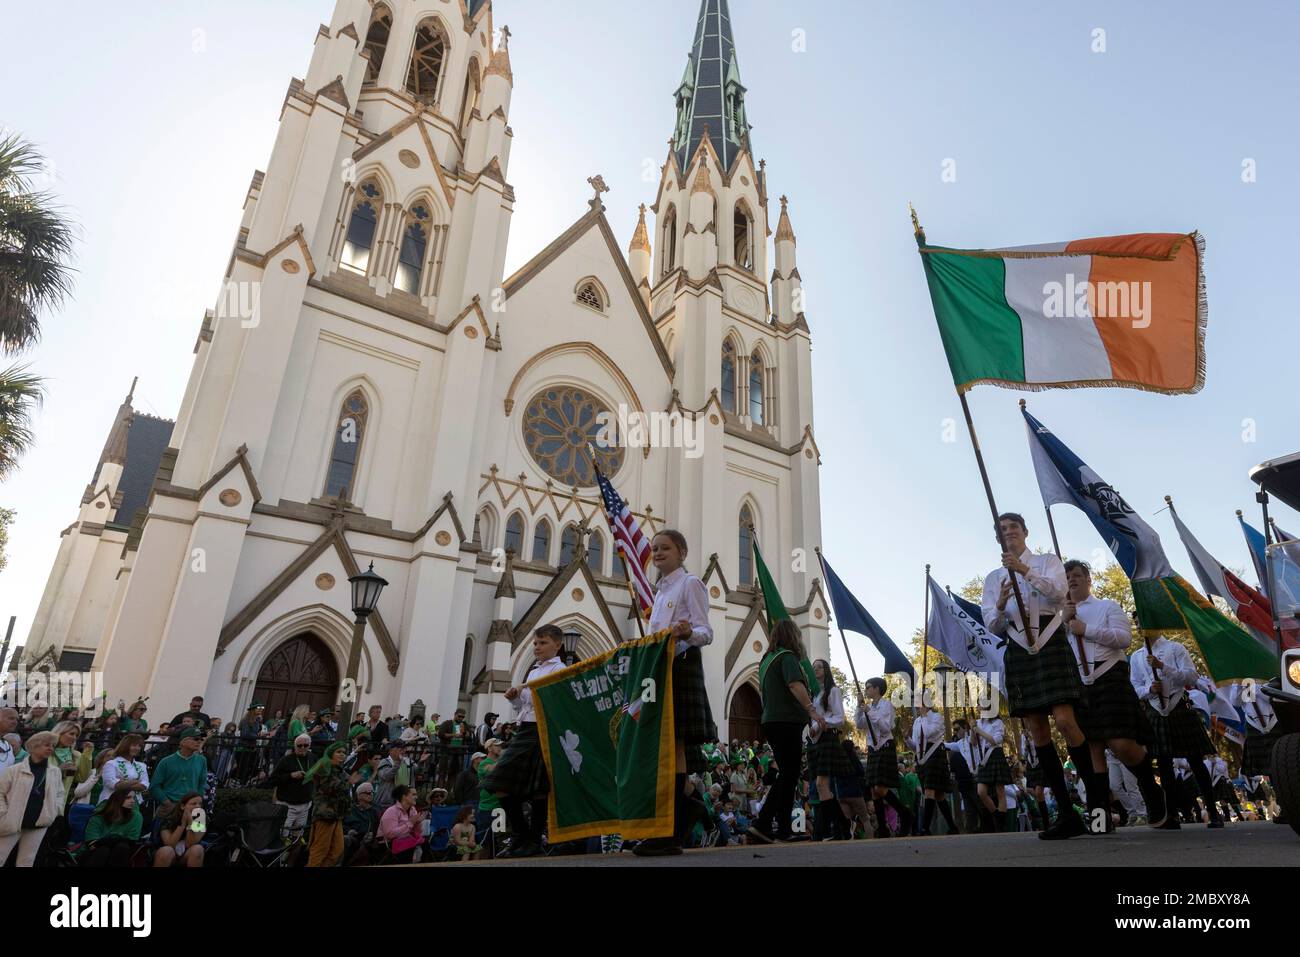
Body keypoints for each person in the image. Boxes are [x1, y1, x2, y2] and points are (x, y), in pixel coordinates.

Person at [980, 512, 1088, 840]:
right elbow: (992, 625)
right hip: (1020, 647)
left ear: (1025, 532)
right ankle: (1068, 815)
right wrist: (999, 604)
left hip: (1049, 639)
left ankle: (1097, 805)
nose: (1008, 532)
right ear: (997, 538)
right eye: (1002, 529)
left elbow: (1058, 595)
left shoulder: (1046, 561)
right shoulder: (993, 578)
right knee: (1038, 729)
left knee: (1066, 721)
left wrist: (1024, 571)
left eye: (1013, 527)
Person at [1061, 560, 1167, 832]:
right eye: (1067, 577)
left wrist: (1086, 630)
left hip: (1110, 677)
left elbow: (1124, 639)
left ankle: (1150, 788)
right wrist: (1065, 623)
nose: (1072, 580)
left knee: (1121, 744)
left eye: (1077, 575)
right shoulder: (1063, 616)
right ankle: (1100, 818)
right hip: (1081, 685)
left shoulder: (1107, 607)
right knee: (1093, 748)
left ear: (1088, 580)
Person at [633, 528, 717, 857]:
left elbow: (705, 632)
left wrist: (687, 631)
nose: (657, 553)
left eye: (665, 548)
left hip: (681, 665)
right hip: (658, 670)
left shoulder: (690, 583)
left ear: (681, 551)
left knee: (674, 744)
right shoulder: (658, 592)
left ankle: (670, 831)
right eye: (654, 549)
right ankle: (684, 814)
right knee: (667, 746)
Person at [484, 624, 567, 859]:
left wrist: (524, 689)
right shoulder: (533, 671)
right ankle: (523, 836)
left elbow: (553, 704)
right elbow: (524, 707)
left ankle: (531, 840)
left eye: (543, 643)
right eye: (536, 643)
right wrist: (515, 698)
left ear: (557, 645)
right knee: (499, 783)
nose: (537, 647)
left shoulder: (560, 670)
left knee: (538, 789)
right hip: (525, 729)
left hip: (542, 730)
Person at [1129, 634, 1224, 828]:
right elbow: (1135, 686)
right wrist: (1149, 689)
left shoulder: (1175, 648)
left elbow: (1191, 676)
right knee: (1163, 764)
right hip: (1155, 709)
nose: (1141, 627)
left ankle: (1213, 812)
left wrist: (1163, 667)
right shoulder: (1137, 656)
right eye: (1138, 624)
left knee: (1196, 760)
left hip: (1178, 705)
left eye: (1143, 622)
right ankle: (1170, 814)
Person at [746, 619, 817, 845]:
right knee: (789, 774)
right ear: (792, 636)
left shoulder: (766, 659)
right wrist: (812, 711)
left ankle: (774, 826)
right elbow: (795, 685)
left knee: (788, 774)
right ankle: (767, 824)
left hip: (771, 721)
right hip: (786, 721)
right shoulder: (787, 657)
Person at [854, 676, 914, 837]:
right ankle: (882, 827)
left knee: (880, 788)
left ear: (877, 689)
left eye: (868, 687)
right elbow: (859, 724)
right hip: (873, 749)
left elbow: (886, 727)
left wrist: (869, 712)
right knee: (874, 790)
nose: (866, 690)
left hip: (885, 746)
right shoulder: (869, 706)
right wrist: (859, 707)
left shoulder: (886, 705)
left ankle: (904, 813)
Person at [805, 659, 854, 841]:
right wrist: (813, 727)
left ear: (826, 670)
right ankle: (841, 827)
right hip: (817, 740)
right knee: (822, 787)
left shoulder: (833, 691)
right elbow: (816, 716)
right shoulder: (815, 694)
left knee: (821, 785)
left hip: (828, 738)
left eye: (819, 666)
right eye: (814, 667)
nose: (816, 669)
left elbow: (839, 718)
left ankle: (841, 826)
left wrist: (820, 724)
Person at [0, 731, 64, 866]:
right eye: (46, 745)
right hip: (12, 820)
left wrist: (54, 811)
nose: (50, 748)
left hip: (39, 822)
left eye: (52, 745)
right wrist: (3, 813)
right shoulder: (14, 770)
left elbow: (60, 794)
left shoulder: (55, 771)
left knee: (27, 861)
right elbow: (0, 792)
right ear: (34, 746)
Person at [911, 691, 958, 835]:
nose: (916, 705)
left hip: (935, 755)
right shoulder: (917, 721)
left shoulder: (936, 717)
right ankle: (953, 827)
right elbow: (915, 744)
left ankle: (925, 828)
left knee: (929, 791)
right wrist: (907, 739)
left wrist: (925, 716)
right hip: (922, 757)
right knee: (939, 796)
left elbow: (929, 733)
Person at [305, 742, 350, 866]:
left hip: (336, 815)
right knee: (320, 850)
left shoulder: (339, 769)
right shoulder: (324, 767)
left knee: (337, 851)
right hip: (325, 815)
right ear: (331, 753)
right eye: (339, 752)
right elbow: (329, 788)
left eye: (344, 752)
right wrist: (348, 782)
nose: (342, 755)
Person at [269, 734, 316, 842]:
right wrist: (290, 776)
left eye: (306, 745)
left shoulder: (312, 757)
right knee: (282, 836)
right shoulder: (286, 760)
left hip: (305, 805)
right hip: (288, 806)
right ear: (295, 746)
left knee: (298, 837)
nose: (303, 748)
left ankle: (292, 857)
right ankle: (279, 858)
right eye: (300, 746)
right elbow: (272, 780)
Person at [81, 790, 144, 867]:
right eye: (128, 798)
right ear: (117, 799)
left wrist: (107, 841)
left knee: (122, 847)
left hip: (122, 853)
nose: (133, 801)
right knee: (103, 850)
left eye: (134, 798)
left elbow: (132, 841)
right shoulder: (98, 818)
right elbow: (91, 843)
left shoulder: (136, 817)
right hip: (97, 854)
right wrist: (116, 840)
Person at [971, 710, 1011, 832]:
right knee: (981, 792)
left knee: (1000, 791)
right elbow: (973, 743)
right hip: (984, 758)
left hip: (995, 754)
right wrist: (973, 730)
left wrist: (978, 730)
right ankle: (997, 815)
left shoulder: (997, 722)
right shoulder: (978, 722)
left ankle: (1001, 824)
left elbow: (995, 740)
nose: (978, 707)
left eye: (981, 704)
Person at [151, 727, 209, 811]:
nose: (199, 742)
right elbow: (154, 786)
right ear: (183, 741)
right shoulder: (166, 761)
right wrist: (166, 802)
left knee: (198, 824)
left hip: (192, 806)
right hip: (170, 805)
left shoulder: (202, 760)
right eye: (196, 739)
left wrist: (197, 803)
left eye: (201, 739)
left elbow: (202, 784)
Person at [153, 792, 205, 868]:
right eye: (193, 804)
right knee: (166, 851)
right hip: (170, 854)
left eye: (200, 804)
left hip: (187, 854)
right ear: (182, 806)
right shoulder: (169, 820)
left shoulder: (201, 820)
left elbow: (190, 844)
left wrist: (190, 824)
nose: (198, 806)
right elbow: (170, 844)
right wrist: (182, 824)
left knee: (197, 849)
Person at [378, 784, 428, 864]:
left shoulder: (412, 810)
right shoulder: (392, 811)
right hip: (388, 843)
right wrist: (410, 823)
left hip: (405, 840)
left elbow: (417, 833)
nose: (416, 797)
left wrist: (418, 823)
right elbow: (390, 834)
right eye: (413, 794)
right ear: (404, 796)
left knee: (425, 843)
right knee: (411, 847)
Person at [50, 720, 92, 808]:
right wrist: (59, 770)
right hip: (43, 797)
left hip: (62, 802)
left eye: (76, 735)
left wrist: (87, 755)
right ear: (59, 733)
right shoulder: (46, 751)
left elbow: (82, 778)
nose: (74, 737)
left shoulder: (76, 755)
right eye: (71, 734)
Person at [101, 734, 151, 802]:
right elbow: (113, 784)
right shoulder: (111, 764)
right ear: (125, 746)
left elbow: (145, 785)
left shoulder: (142, 765)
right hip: (112, 803)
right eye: (134, 745)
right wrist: (136, 781)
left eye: (139, 746)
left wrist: (124, 783)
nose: (137, 748)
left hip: (134, 803)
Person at [437, 709, 470, 787]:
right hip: (447, 751)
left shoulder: (464, 725)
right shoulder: (447, 723)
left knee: (454, 773)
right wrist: (453, 735)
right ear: (455, 715)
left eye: (463, 717)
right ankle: (439, 792)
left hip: (459, 752)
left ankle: (449, 793)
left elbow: (468, 737)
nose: (461, 718)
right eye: (459, 716)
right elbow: (441, 734)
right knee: (443, 773)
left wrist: (466, 733)